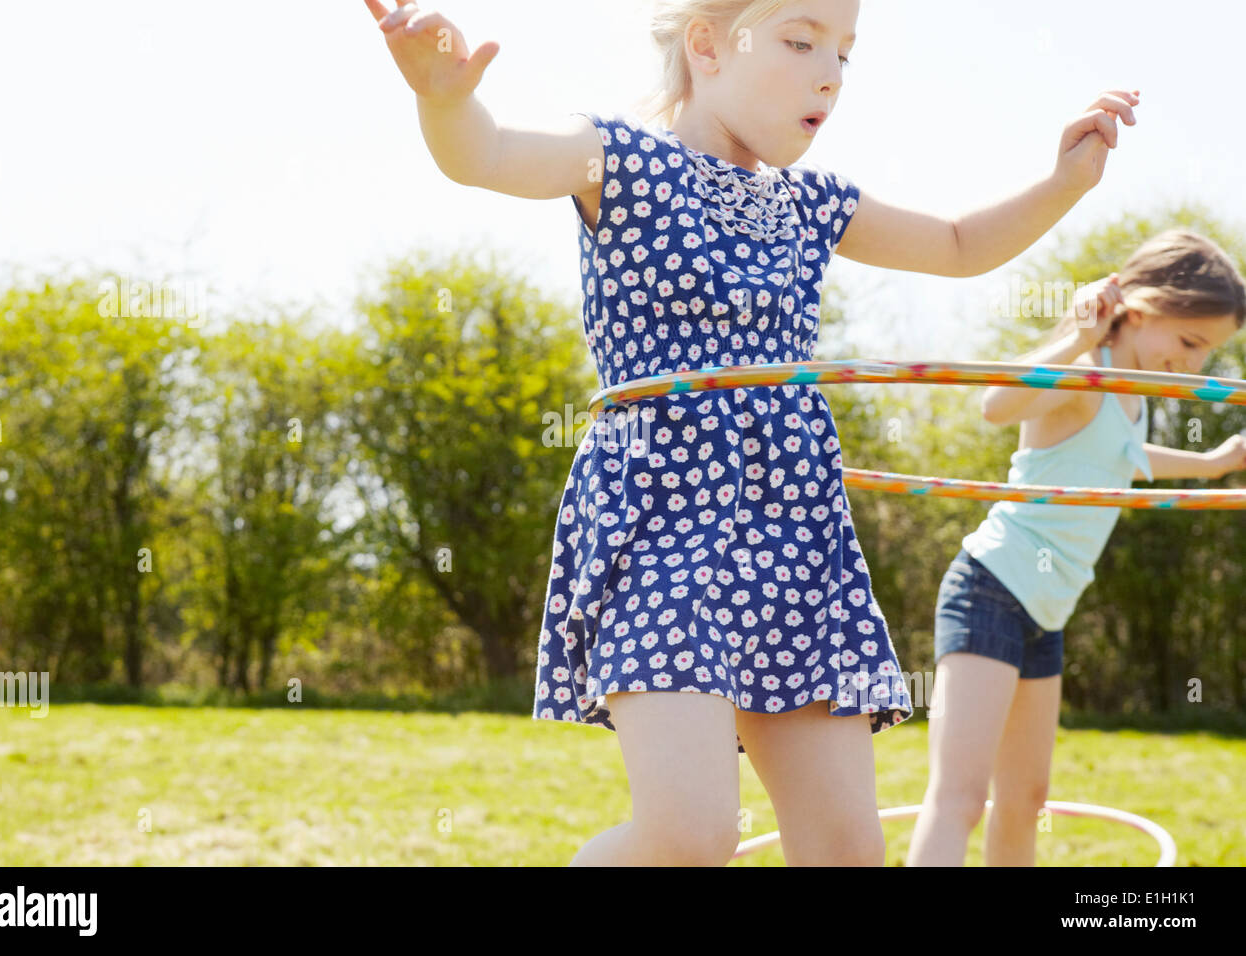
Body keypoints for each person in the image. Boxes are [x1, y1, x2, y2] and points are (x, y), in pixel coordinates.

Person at [370, 0, 1140, 865]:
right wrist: (443, 102)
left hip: (795, 536)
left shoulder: (813, 205)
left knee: (847, 852)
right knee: (689, 839)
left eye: (846, 53)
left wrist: (1066, 182)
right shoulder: (618, 158)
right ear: (708, 45)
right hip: (664, 521)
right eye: (802, 40)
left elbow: (959, 246)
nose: (830, 74)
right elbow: (489, 153)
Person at [907, 228, 1246, 867]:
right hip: (992, 589)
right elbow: (996, 405)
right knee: (961, 794)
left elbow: (1119, 461)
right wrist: (1078, 337)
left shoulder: (1131, 398)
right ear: (1141, 309)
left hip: (1046, 614)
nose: (1195, 365)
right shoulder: (1082, 374)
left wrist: (1213, 464)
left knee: (1026, 797)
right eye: (1190, 342)